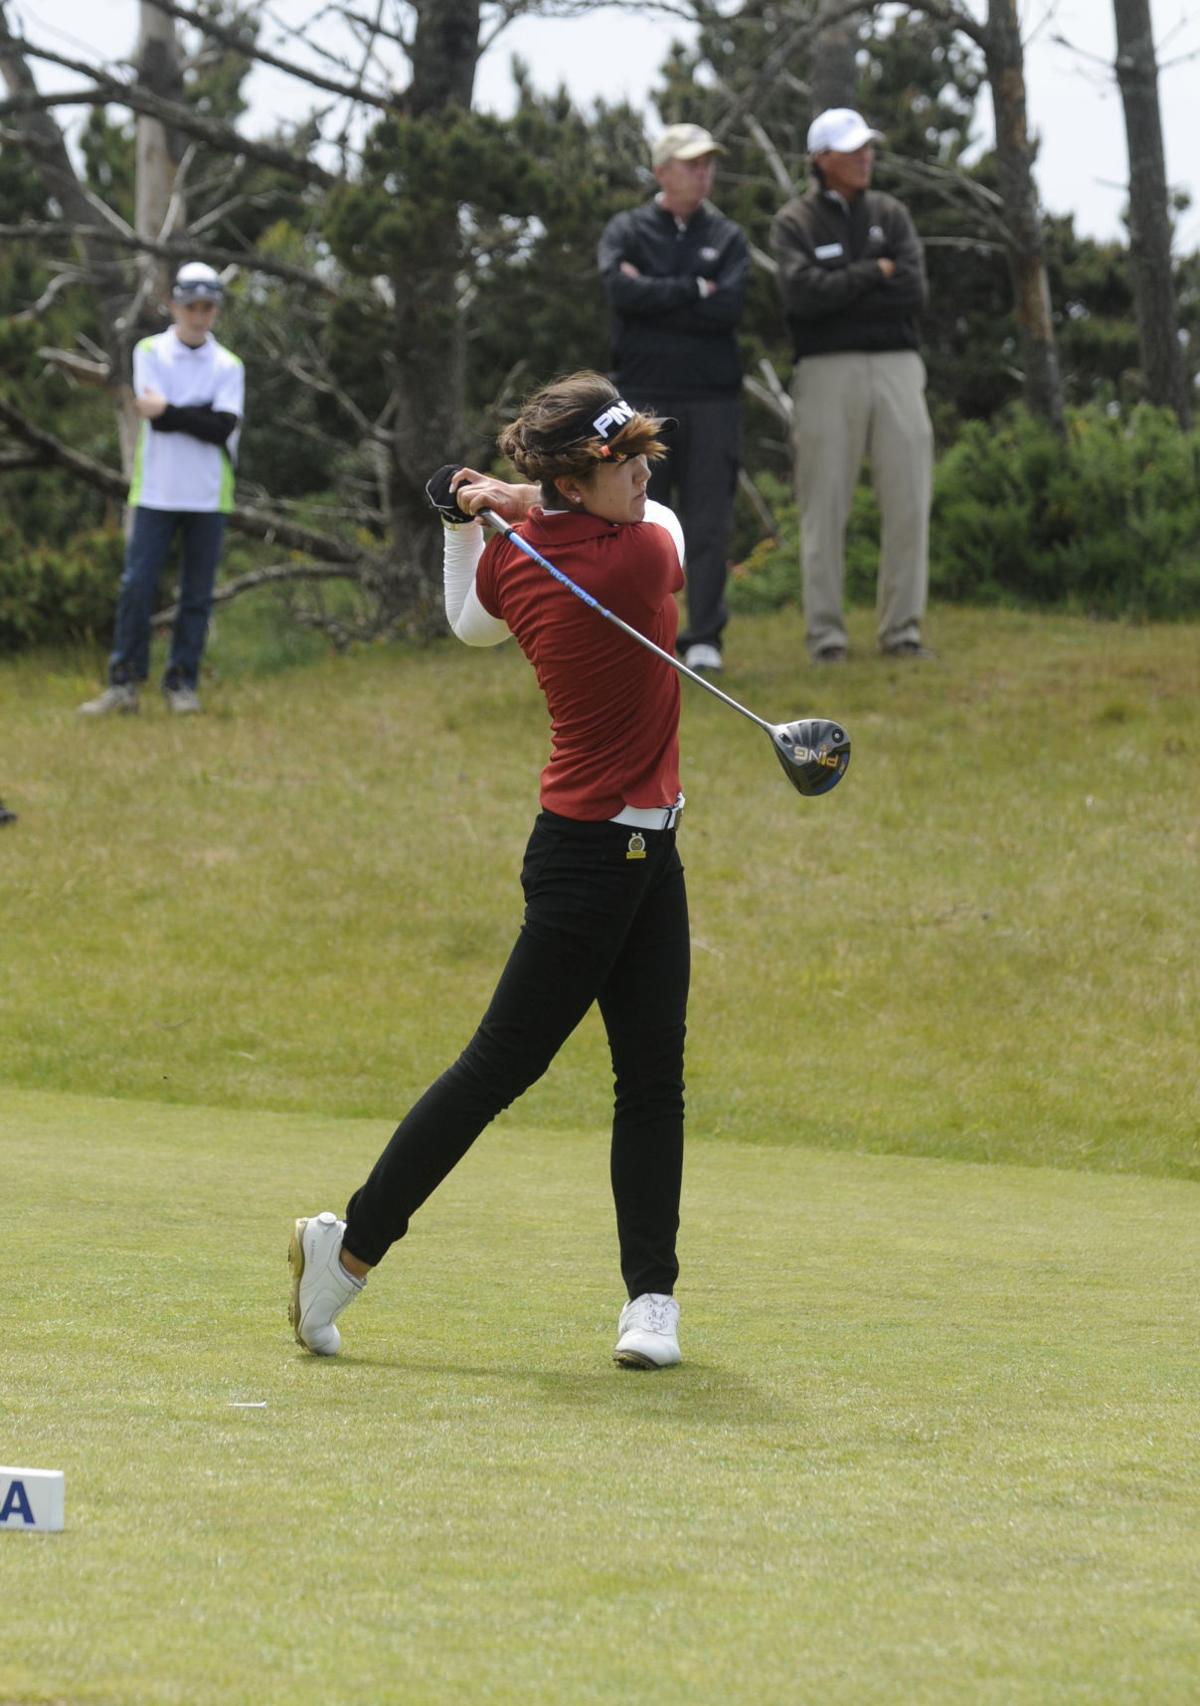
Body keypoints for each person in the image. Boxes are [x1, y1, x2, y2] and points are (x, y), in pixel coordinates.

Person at [290, 371, 692, 1371]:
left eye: (643, 451)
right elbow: (678, 534)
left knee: (651, 1077)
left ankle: (651, 1299)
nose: (643, 471)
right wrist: (512, 506)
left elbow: (469, 621)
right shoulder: (637, 557)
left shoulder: (524, 563)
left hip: (643, 848)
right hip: (594, 856)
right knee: (498, 1068)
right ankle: (345, 1249)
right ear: (574, 476)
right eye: (622, 459)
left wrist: (479, 519)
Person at [770, 108, 935, 663]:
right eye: (852, 149)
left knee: (909, 501)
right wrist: (874, 274)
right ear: (822, 160)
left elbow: (913, 291)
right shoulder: (796, 221)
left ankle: (902, 632)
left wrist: (845, 288)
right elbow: (802, 298)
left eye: (868, 147)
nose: (865, 156)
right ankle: (826, 637)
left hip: (897, 367)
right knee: (824, 506)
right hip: (825, 372)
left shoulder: (891, 213)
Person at [598, 123, 748, 676]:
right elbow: (621, 291)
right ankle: (639, 633)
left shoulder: (728, 236)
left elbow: (729, 308)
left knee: (708, 519)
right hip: (644, 397)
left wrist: (659, 292)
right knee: (635, 517)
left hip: (713, 398)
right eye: (691, 164)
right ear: (661, 171)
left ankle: (704, 635)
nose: (702, 173)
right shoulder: (628, 230)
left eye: (708, 164)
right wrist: (694, 289)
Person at [79, 262, 245, 716]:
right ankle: (124, 684)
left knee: (196, 593)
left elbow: (220, 427)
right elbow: (154, 412)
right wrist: (193, 414)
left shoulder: (228, 364)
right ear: (174, 305)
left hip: (209, 495)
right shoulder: (149, 350)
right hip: (155, 491)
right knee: (138, 586)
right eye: (191, 305)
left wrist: (171, 410)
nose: (199, 314)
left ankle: (181, 684)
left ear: (216, 309)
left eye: (208, 306)